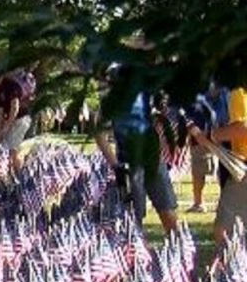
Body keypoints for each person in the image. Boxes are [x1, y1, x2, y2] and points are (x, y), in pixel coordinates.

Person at [94, 68, 178, 234]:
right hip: (129, 165)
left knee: (167, 211)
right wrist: (116, 165)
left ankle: (180, 252)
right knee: (134, 218)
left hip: (153, 162)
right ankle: (140, 256)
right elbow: (99, 134)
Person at [189, 80, 247, 243]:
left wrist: (210, 136)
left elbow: (243, 129)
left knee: (223, 230)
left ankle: (233, 267)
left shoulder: (239, 91)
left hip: (243, 171)